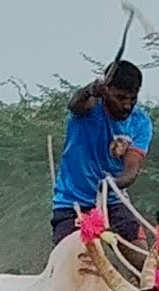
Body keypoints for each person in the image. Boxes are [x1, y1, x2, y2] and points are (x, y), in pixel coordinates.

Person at [51, 61, 151, 266]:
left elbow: (131, 170)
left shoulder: (141, 122)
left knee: (144, 263)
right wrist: (90, 90)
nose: (127, 105)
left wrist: (112, 184)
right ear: (105, 91)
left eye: (132, 99)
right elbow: (75, 103)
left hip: (114, 201)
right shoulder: (88, 108)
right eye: (120, 98)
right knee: (71, 267)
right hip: (72, 203)